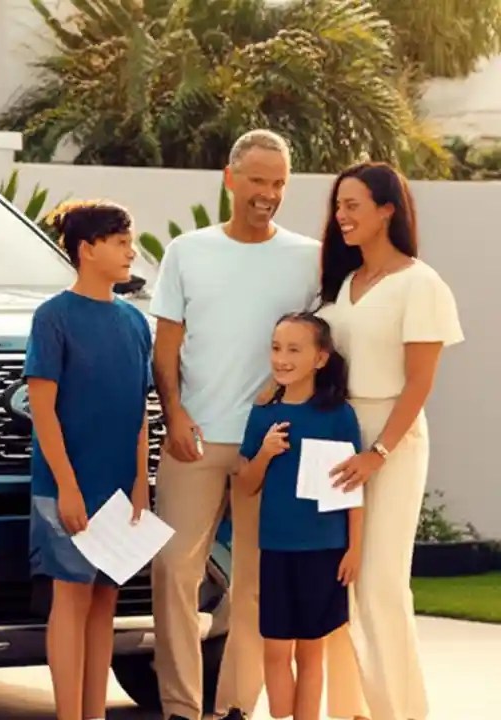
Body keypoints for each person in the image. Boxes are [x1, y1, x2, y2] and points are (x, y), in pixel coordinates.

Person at [147, 129, 324, 720]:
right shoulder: (187, 251)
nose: (268, 194)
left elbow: (319, 346)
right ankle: (180, 707)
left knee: (252, 580)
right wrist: (173, 414)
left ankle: (235, 708)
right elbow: (165, 346)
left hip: (268, 445)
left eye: (278, 183)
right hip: (193, 438)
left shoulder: (307, 257)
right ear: (230, 179)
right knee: (174, 569)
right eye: (257, 180)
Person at [315, 161, 464, 720]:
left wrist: (379, 454)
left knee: (379, 585)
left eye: (353, 205)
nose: (341, 216)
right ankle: (351, 710)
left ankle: (401, 712)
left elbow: (421, 380)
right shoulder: (342, 281)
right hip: (335, 435)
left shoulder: (420, 283)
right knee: (339, 582)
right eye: (338, 205)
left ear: (387, 210)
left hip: (391, 442)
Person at [26, 199, 153, 720]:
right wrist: (67, 487)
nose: (131, 252)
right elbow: (43, 410)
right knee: (72, 597)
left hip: (120, 484)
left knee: (106, 600)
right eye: (120, 242)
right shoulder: (53, 317)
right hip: (67, 483)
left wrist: (141, 482)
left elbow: (140, 410)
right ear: (87, 249)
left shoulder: (135, 322)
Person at [235, 312, 366, 720]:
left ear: (320, 358)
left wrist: (354, 549)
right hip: (276, 548)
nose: (282, 358)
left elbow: (352, 489)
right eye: (276, 348)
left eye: (294, 349)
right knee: (275, 649)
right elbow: (246, 484)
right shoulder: (262, 416)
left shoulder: (339, 416)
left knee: (312, 652)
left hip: (324, 550)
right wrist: (266, 453)